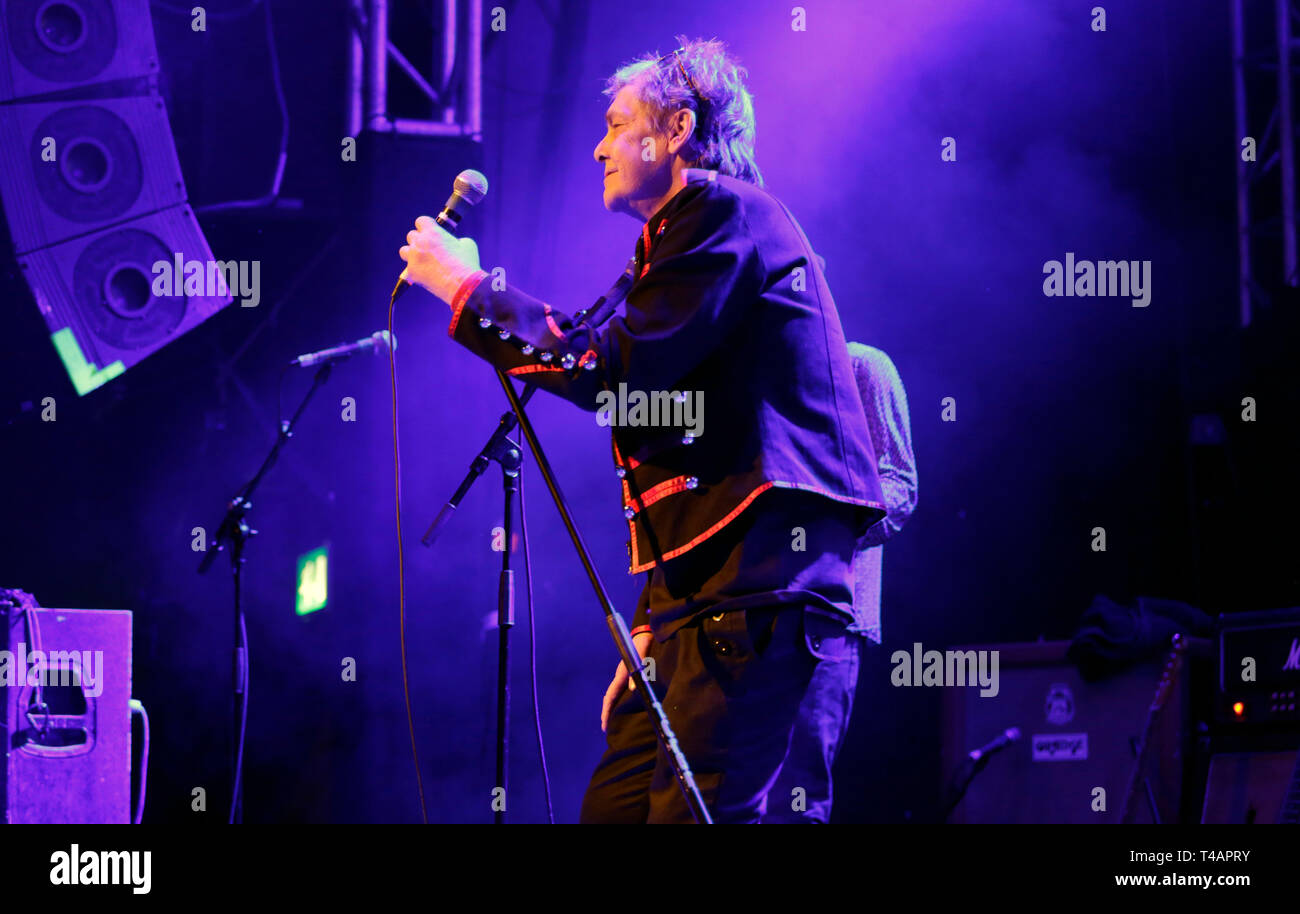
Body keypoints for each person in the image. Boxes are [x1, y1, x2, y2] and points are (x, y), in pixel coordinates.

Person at [398, 36, 886, 823]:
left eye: (616, 123)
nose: (596, 146)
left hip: (760, 599)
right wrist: (655, 622)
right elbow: (649, 416)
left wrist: (465, 287)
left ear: (676, 130)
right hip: (702, 607)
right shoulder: (678, 246)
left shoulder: (726, 215)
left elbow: (611, 372)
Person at [761, 342, 918, 823]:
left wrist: (817, 525)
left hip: (826, 617)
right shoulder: (754, 371)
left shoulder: (863, 366)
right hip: (747, 606)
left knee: (795, 800)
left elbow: (898, 488)